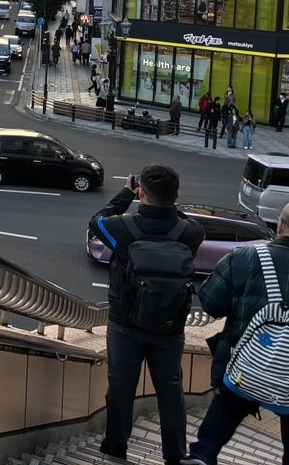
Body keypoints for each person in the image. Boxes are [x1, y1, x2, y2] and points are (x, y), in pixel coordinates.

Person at [183, 200, 289, 465]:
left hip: (243, 368)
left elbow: (211, 302)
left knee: (223, 415)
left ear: (280, 225)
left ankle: (201, 457)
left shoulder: (244, 258)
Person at [89, 165, 204, 465]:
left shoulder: (121, 228)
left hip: (126, 324)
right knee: (170, 392)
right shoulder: (191, 233)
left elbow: (96, 221)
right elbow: (186, 224)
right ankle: (174, 457)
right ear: (176, 195)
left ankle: (115, 451)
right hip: (169, 328)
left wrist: (126, 195)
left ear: (141, 192)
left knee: (121, 389)